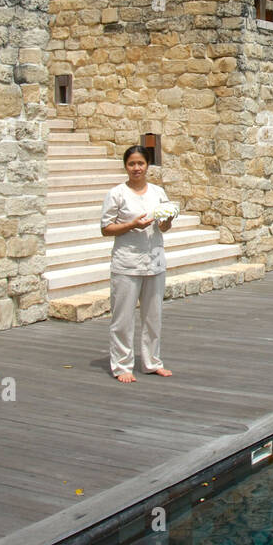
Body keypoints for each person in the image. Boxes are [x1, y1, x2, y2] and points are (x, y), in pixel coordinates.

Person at [100, 145, 176, 383]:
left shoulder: (157, 192)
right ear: (126, 166)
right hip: (127, 262)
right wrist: (132, 224)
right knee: (122, 318)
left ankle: (152, 362)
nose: (136, 168)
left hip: (154, 261)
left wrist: (166, 220)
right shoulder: (117, 193)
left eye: (140, 163)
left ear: (147, 165)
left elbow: (164, 226)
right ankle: (122, 365)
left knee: (153, 316)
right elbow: (106, 228)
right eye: (132, 164)